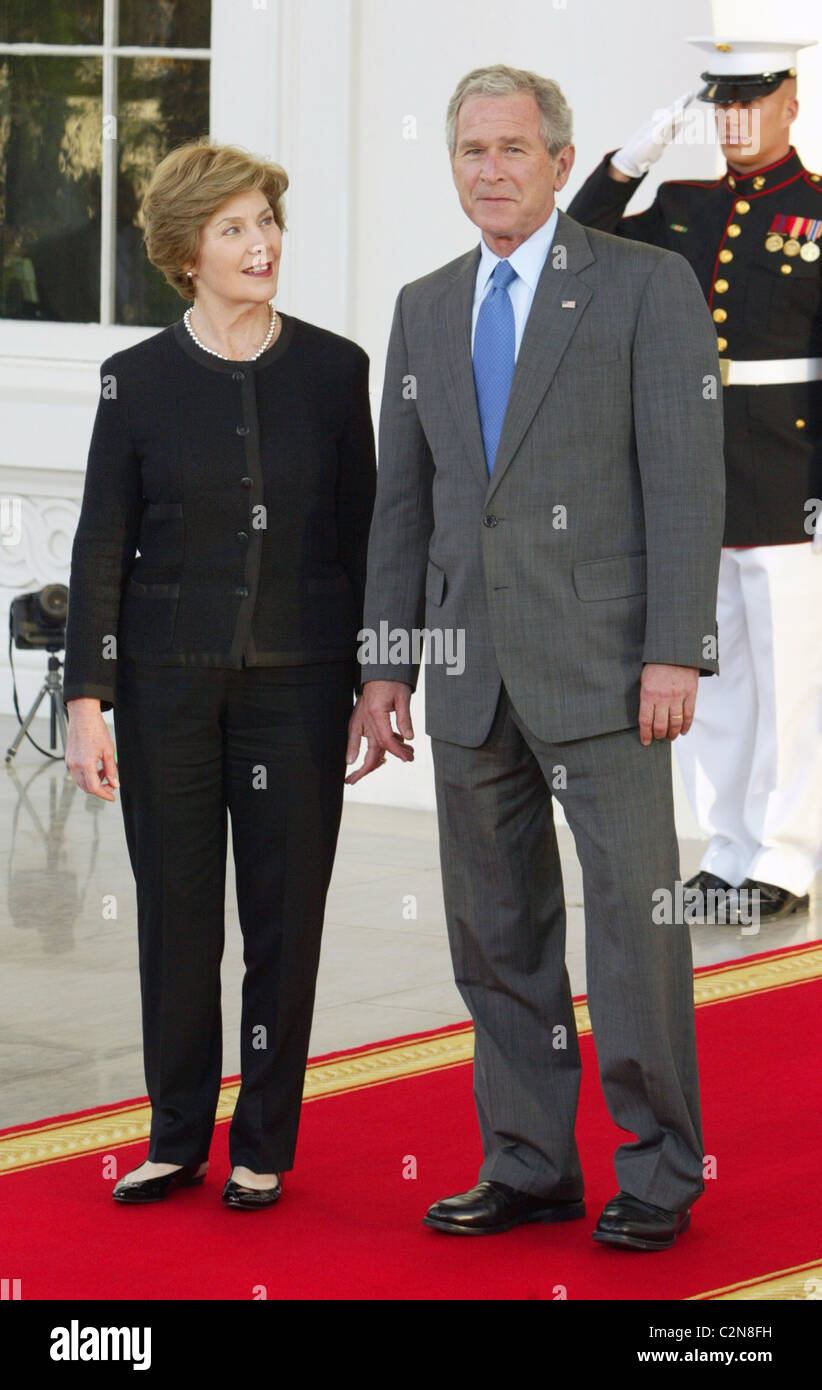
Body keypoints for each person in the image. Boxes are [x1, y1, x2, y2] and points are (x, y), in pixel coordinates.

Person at [346, 65, 725, 1250]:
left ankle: (660, 1170)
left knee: (633, 927)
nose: (491, 171)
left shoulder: (644, 287)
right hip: (465, 673)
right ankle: (526, 1160)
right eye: (472, 151)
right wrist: (386, 662)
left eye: (514, 150)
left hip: (611, 670)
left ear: (562, 163)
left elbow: (683, 479)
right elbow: (401, 502)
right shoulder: (421, 304)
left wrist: (677, 649)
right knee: (496, 935)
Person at [63, 140, 376, 1210]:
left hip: (299, 683)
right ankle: (174, 1133)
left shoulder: (336, 371)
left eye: (268, 222)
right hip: (166, 689)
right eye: (235, 227)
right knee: (178, 919)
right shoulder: (138, 379)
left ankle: (263, 1144)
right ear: (185, 251)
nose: (262, 244)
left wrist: (380, 676)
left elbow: (364, 533)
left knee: (286, 921)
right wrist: (86, 698)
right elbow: (102, 540)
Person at [568, 37, 822, 925]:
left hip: (790, 473)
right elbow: (578, 246)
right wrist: (627, 163)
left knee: (789, 680)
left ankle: (785, 859)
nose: (738, 117)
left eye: (757, 99)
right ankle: (726, 851)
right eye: (724, 102)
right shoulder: (681, 205)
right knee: (710, 678)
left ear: (793, 102)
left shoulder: (819, 212)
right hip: (689, 470)